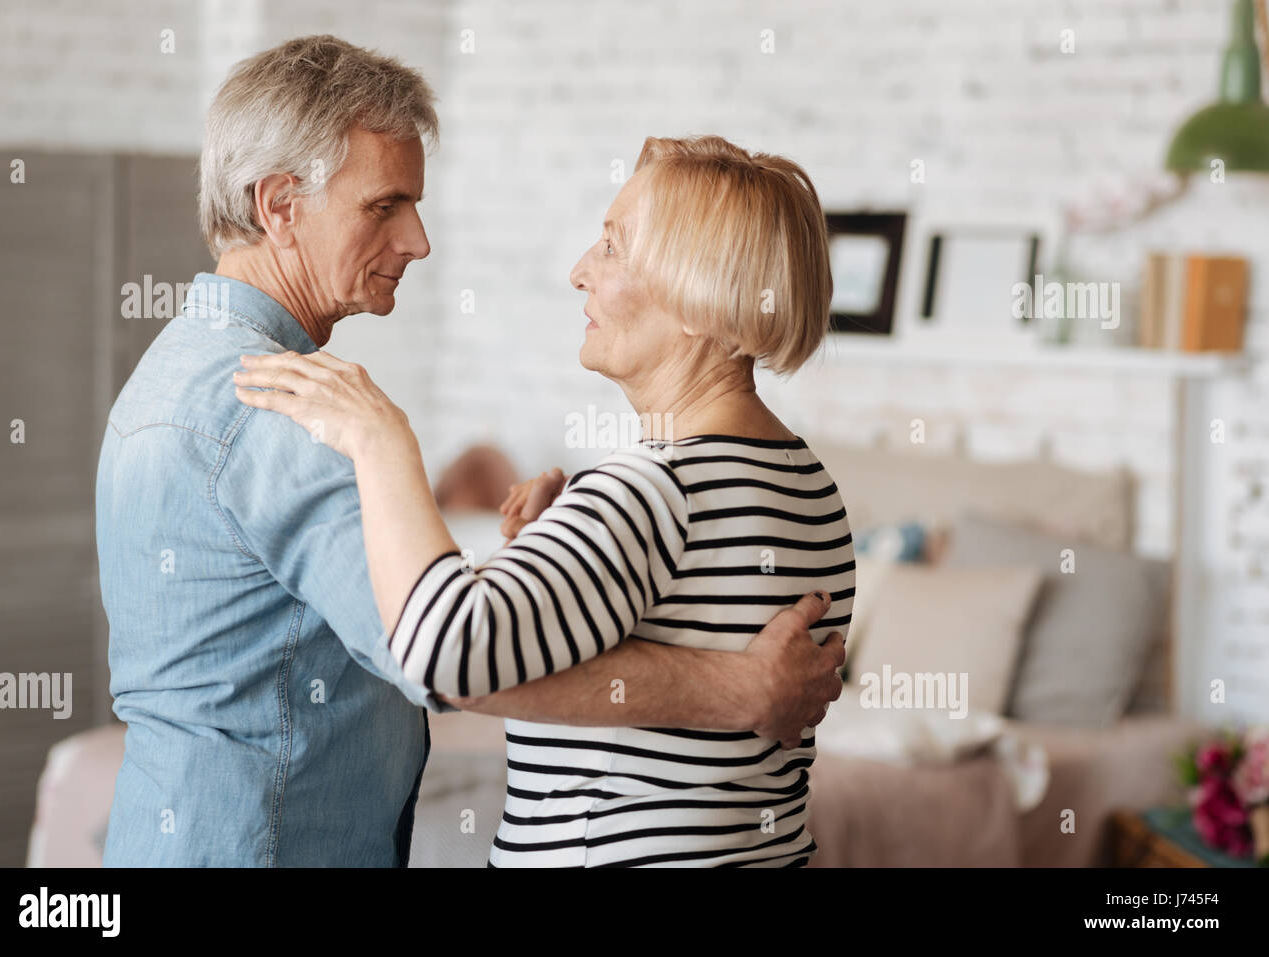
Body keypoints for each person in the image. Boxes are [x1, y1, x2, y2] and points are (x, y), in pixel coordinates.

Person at [96, 35, 843, 867]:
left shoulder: (171, 375)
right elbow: (445, 657)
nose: (418, 242)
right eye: (384, 206)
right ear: (279, 207)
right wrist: (743, 687)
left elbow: (465, 633)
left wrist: (553, 558)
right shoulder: (285, 408)